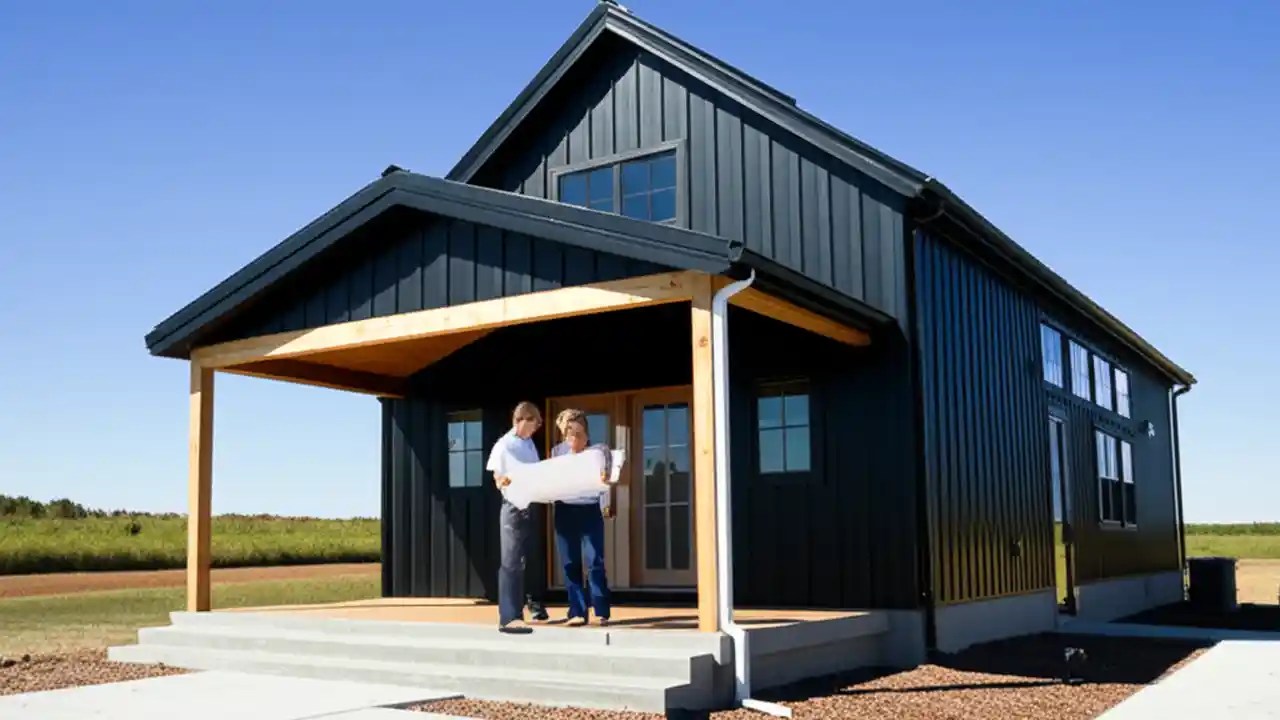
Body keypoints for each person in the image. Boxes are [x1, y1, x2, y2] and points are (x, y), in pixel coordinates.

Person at [550, 409, 613, 627]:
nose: (573, 437)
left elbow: (607, 479)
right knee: (570, 562)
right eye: (569, 432)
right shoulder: (557, 452)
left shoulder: (599, 450)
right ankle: (577, 611)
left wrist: (606, 505)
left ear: (586, 432)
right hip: (565, 510)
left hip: (589, 509)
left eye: (577, 431)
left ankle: (602, 610)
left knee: (595, 560)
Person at [487, 401, 543, 634]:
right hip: (512, 506)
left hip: (530, 504)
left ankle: (534, 605)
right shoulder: (504, 445)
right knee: (510, 561)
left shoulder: (529, 445)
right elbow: (497, 476)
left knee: (530, 559)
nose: (535, 429)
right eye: (533, 424)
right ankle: (509, 617)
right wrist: (503, 482)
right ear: (521, 420)